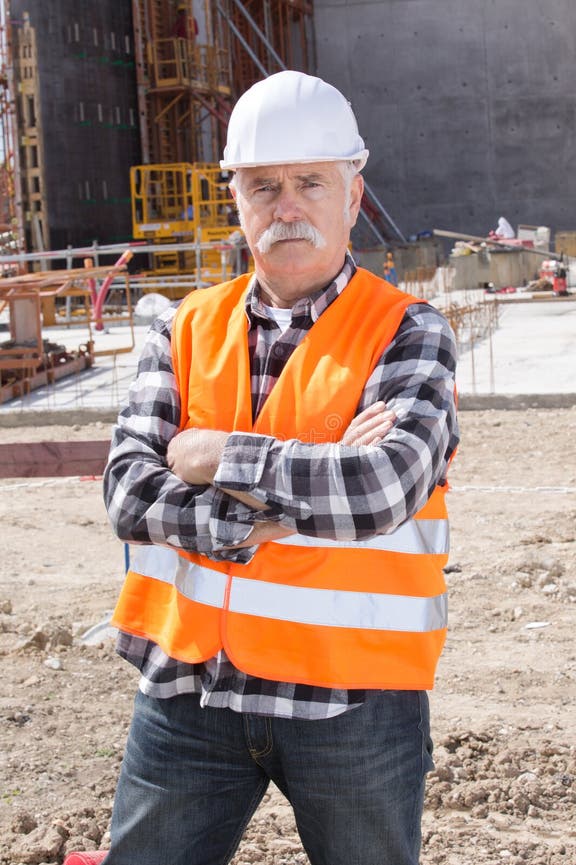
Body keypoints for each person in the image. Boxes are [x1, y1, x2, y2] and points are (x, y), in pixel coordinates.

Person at [70, 70, 459, 865]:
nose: (287, 207)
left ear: (353, 195)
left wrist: (210, 453)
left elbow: (381, 487)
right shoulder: (182, 328)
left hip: (351, 702)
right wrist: (282, 505)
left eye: (311, 182)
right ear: (236, 199)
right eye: (264, 186)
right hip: (189, 694)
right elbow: (129, 493)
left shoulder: (407, 332)